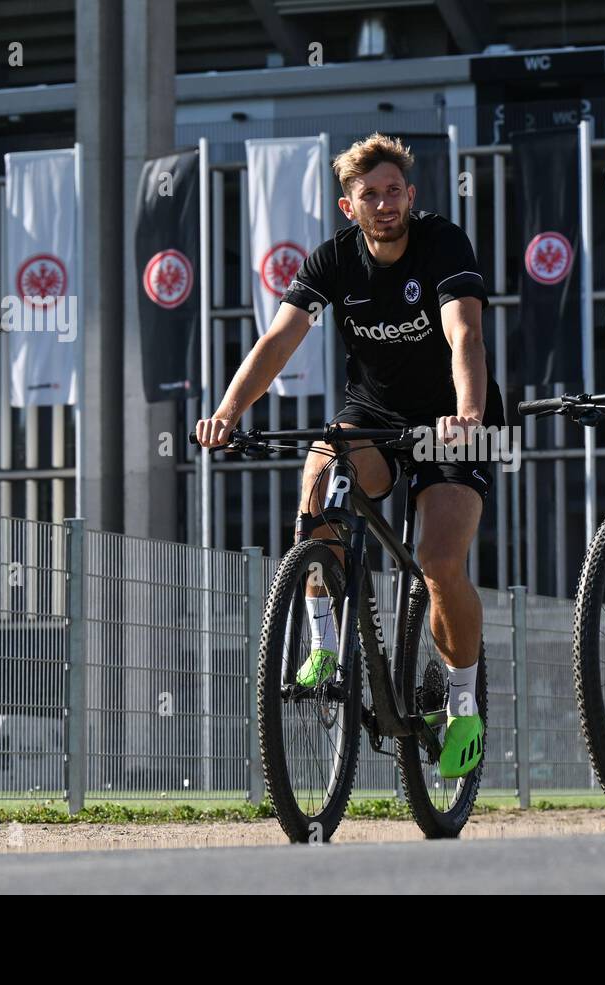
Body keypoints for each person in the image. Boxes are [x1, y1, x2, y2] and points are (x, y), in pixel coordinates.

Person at [194, 133, 505, 779]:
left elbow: (465, 333)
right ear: (348, 206)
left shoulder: (442, 242)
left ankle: (464, 706)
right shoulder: (332, 260)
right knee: (320, 478)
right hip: (374, 416)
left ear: (410, 196)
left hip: (452, 419)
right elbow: (278, 341)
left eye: (394, 192)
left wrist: (470, 412)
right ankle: (323, 645)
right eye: (371, 195)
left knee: (439, 564)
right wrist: (227, 412)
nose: (385, 204)